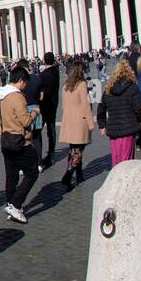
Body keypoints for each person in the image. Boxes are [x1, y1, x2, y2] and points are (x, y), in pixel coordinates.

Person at [0, 66, 37, 224]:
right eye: (25, 83)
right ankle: (16, 205)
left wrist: (2, 135)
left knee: (11, 176)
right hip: (20, 141)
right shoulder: (17, 97)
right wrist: (35, 113)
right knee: (32, 173)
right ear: (21, 81)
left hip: (5, 140)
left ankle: (9, 204)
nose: (25, 86)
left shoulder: (0, 97)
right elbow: (25, 121)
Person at [97, 59, 141, 171]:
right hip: (128, 128)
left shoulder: (108, 89)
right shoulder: (132, 88)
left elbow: (101, 108)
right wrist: (140, 121)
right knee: (127, 161)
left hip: (113, 129)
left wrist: (102, 125)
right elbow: (139, 108)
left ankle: (117, 184)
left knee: (116, 161)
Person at [58, 62, 95, 190]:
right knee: (78, 151)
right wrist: (91, 123)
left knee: (73, 149)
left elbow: (63, 106)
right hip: (80, 122)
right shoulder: (82, 85)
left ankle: (79, 173)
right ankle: (68, 174)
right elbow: (86, 105)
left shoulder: (66, 86)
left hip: (69, 121)